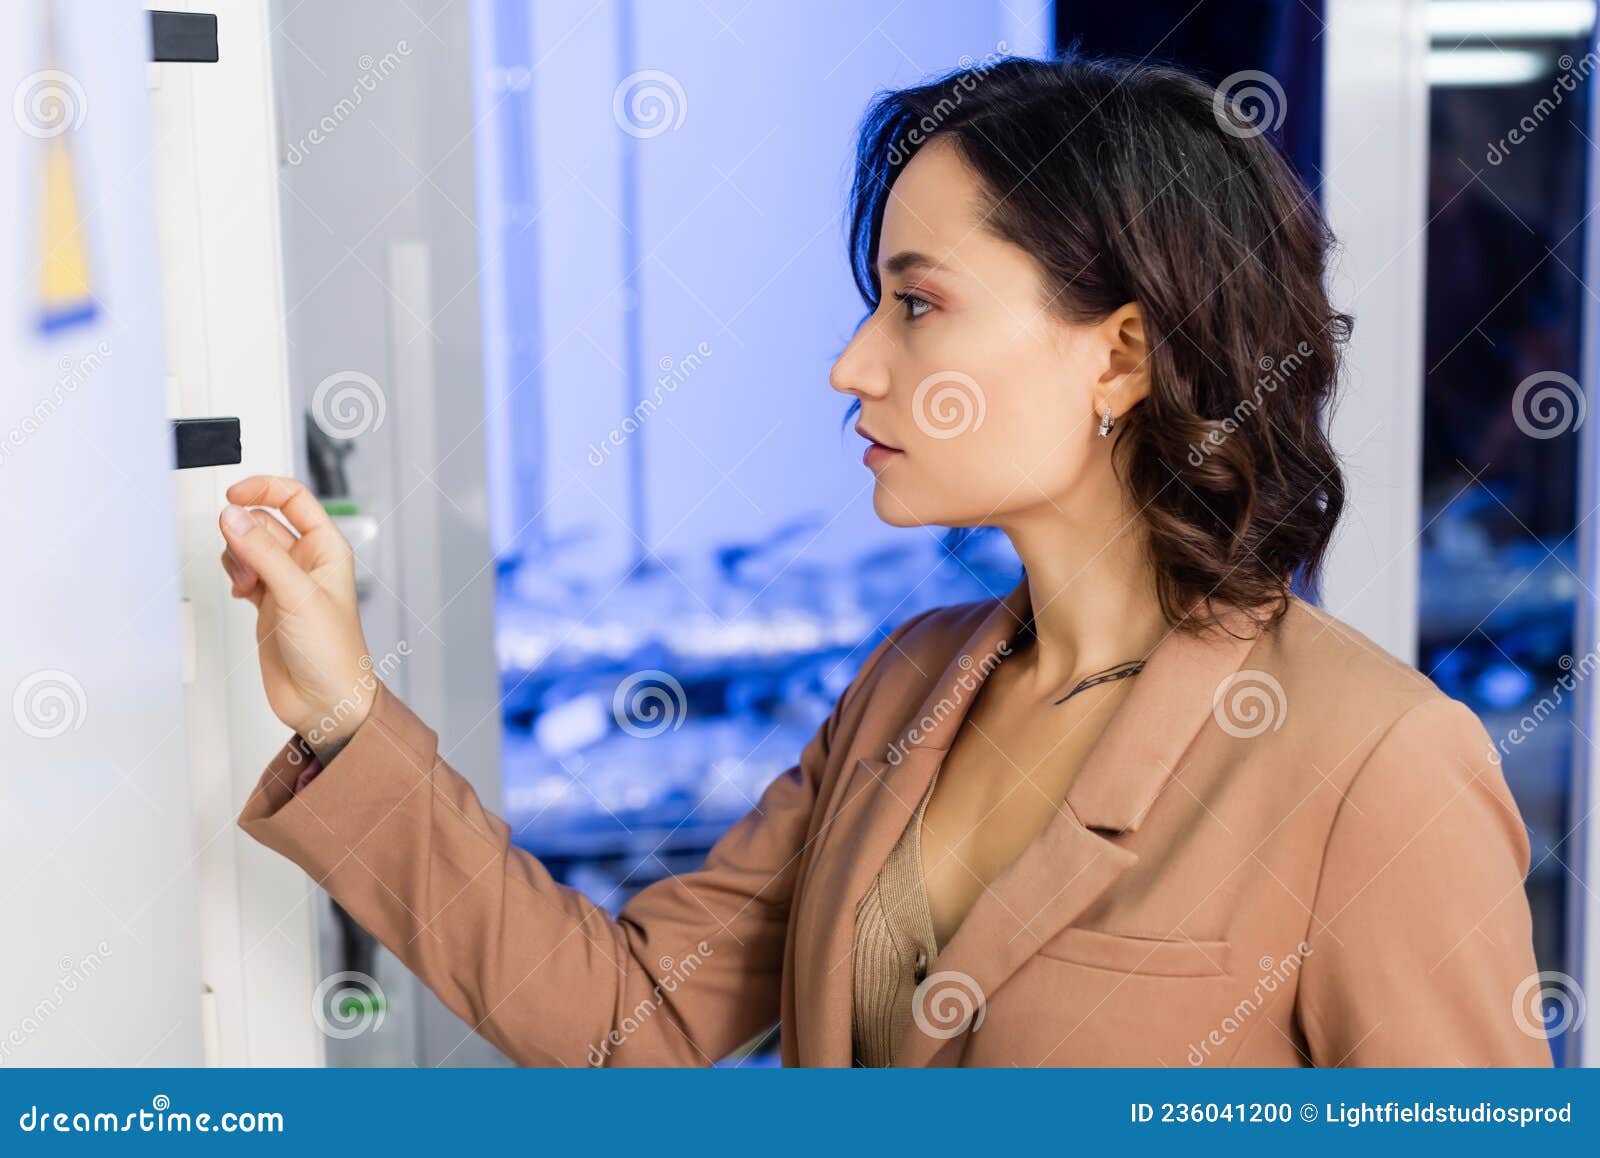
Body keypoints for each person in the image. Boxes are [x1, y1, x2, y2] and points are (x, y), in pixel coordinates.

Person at [217, 56, 1551, 1067]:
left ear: (1126, 353)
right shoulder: (910, 686)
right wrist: (345, 709)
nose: (856, 365)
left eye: (917, 304)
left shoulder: (1383, 767)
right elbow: (632, 1018)